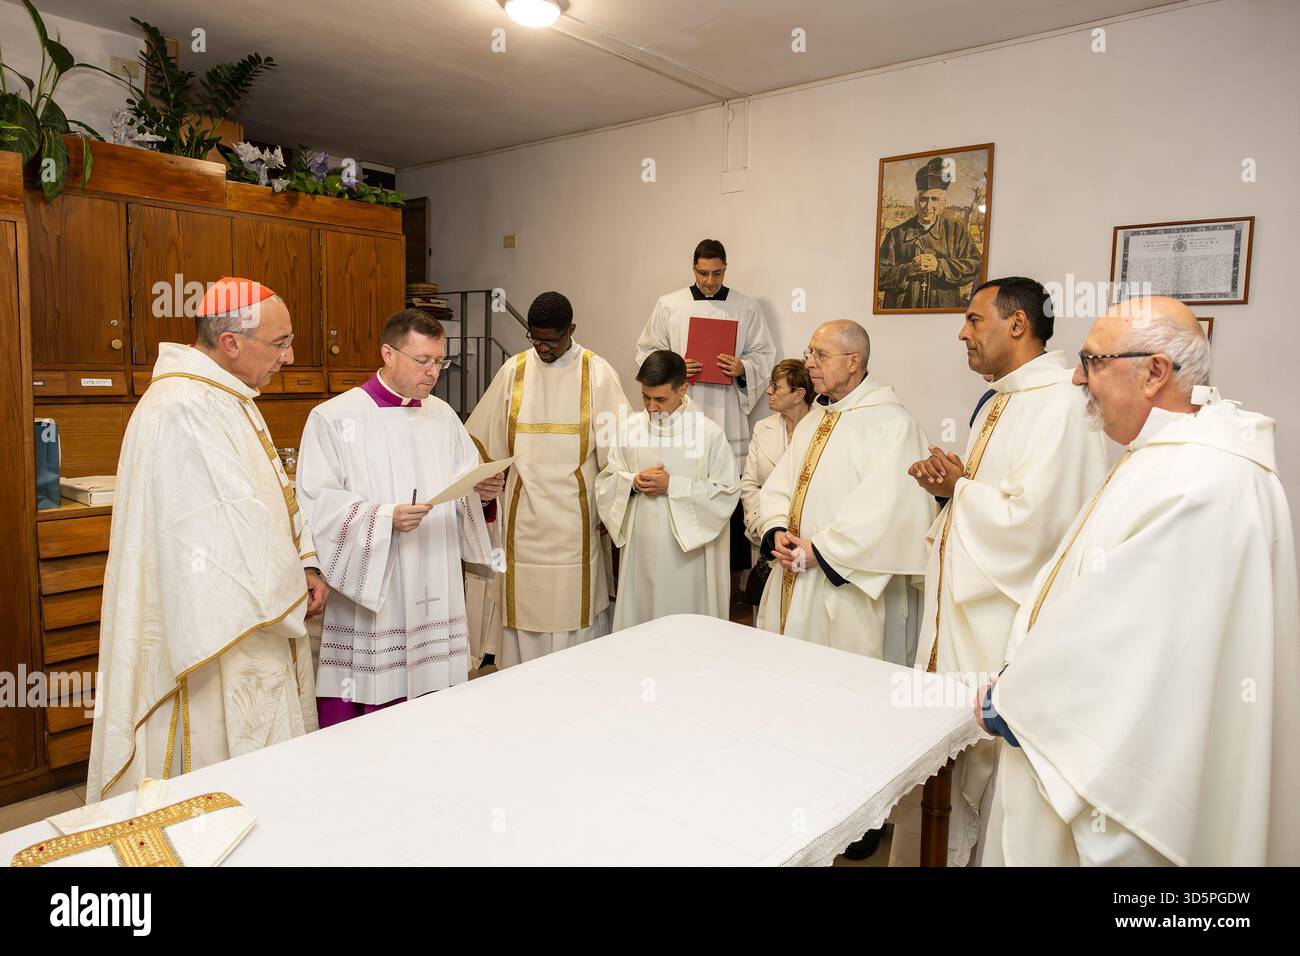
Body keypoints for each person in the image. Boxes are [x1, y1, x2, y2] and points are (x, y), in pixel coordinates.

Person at [980, 296, 1299, 866]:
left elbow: (1137, 653)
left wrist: (1017, 698)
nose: (1077, 377)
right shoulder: (1166, 456)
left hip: (1125, 776)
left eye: (1093, 361)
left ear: (1154, 372)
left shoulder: (1200, 479)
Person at [888, 277, 1110, 867]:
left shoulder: (1061, 402)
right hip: (963, 609)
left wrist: (962, 488)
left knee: (981, 777)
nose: (962, 332)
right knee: (939, 767)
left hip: (998, 617)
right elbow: (1000, 499)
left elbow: (1038, 528)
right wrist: (954, 488)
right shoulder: (1005, 398)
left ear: (1017, 324)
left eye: (973, 319)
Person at [87, 277, 327, 802]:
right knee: (217, 774)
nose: (289, 358)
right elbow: (220, 535)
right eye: (281, 343)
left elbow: (268, 497)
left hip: (250, 618)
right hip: (215, 633)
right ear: (232, 343)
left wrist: (304, 562)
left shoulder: (226, 394)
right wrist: (286, 584)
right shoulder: (182, 407)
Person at [296, 309, 504, 727]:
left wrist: (481, 495)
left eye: (439, 361)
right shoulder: (335, 418)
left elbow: (461, 483)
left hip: (435, 572)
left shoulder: (442, 415)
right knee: (371, 709)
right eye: (422, 360)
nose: (433, 373)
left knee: (435, 712)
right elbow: (316, 504)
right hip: (377, 585)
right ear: (388, 354)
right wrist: (384, 518)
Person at [755, 320, 935, 660]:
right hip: (792, 572)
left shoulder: (894, 425)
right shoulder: (815, 418)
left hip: (846, 585)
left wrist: (820, 552)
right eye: (810, 353)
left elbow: (886, 512)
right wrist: (777, 529)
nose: (809, 363)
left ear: (854, 362)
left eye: (820, 355)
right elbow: (780, 484)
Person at [465, 292, 629, 666]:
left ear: (571, 330)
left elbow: (620, 453)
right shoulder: (515, 371)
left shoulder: (597, 373)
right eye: (534, 338)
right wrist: (486, 483)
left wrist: (610, 507)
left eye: (551, 340)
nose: (542, 348)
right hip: (523, 518)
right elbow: (481, 438)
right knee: (524, 611)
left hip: (577, 519)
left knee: (572, 611)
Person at [637, 238, 776, 574]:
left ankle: (726, 576)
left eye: (716, 273)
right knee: (682, 483)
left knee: (723, 491)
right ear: (693, 268)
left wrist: (743, 369)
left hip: (726, 416)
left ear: (726, 268)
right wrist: (677, 364)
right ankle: (676, 566)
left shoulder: (746, 307)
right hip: (681, 415)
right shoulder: (669, 304)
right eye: (703, 273)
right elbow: (646, 354)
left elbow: (764, 354)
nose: (710, 281)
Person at [597, 350, 739, 629]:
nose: (651, 407)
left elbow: (726, 492)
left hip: (688, 557)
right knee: (643, 619)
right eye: (645, 398)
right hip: (641, 551)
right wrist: (632, 483)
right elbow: (607, 479)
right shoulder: (630, 429)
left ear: (682, 389)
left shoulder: (707, 433)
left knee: (685, 624)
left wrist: (673, 486)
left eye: (660, 399)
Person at [877, 156, 982, 310]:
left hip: (945, 311)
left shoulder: (956, 231)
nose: (928, 206)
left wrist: (939, 266)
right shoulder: (896, 234)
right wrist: (909, 269)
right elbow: (878, 277)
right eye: (923, 199)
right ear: (915, 202)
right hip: (901, 313)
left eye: (934, 199)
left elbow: (975, 266)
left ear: (943, 204)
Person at [740, 359, 813, 547]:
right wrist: (766, 529)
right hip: (767, 534)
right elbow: (749, 484)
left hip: (808, 538)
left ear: (798, 395)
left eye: (776, 386)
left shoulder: (821, 429)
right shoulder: (762, 428)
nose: (768, 391)